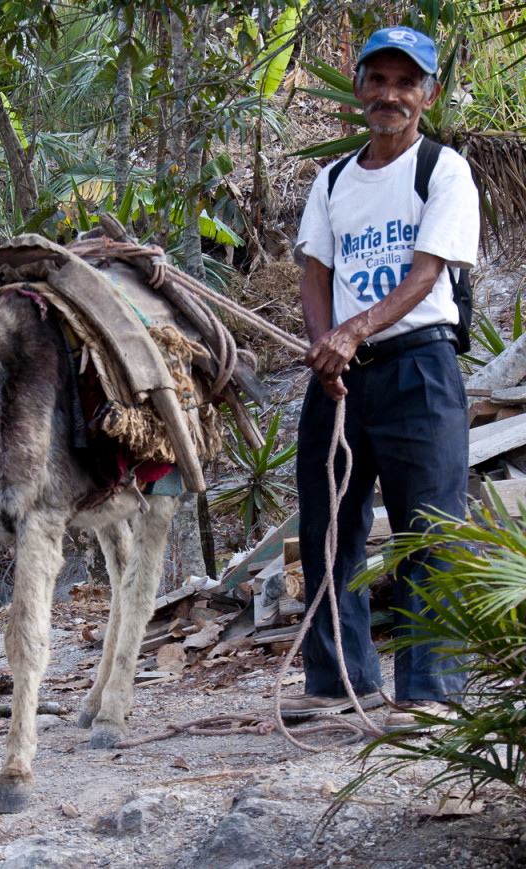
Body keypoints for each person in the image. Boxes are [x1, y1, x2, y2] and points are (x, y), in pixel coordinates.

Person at [280, 26, 479, 731]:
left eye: (406, 82)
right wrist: (321, 348)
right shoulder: (332, 180)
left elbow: (428, 274)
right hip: (338, 376)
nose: (390, 95)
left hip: (418, 366)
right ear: (359, 85)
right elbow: (314, 274)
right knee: (327, 525)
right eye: (379, 80)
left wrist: (352, 331)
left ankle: (431, 692)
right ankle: (337, 680)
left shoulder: (442, 169)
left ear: (428, 94)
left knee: (428, 526)